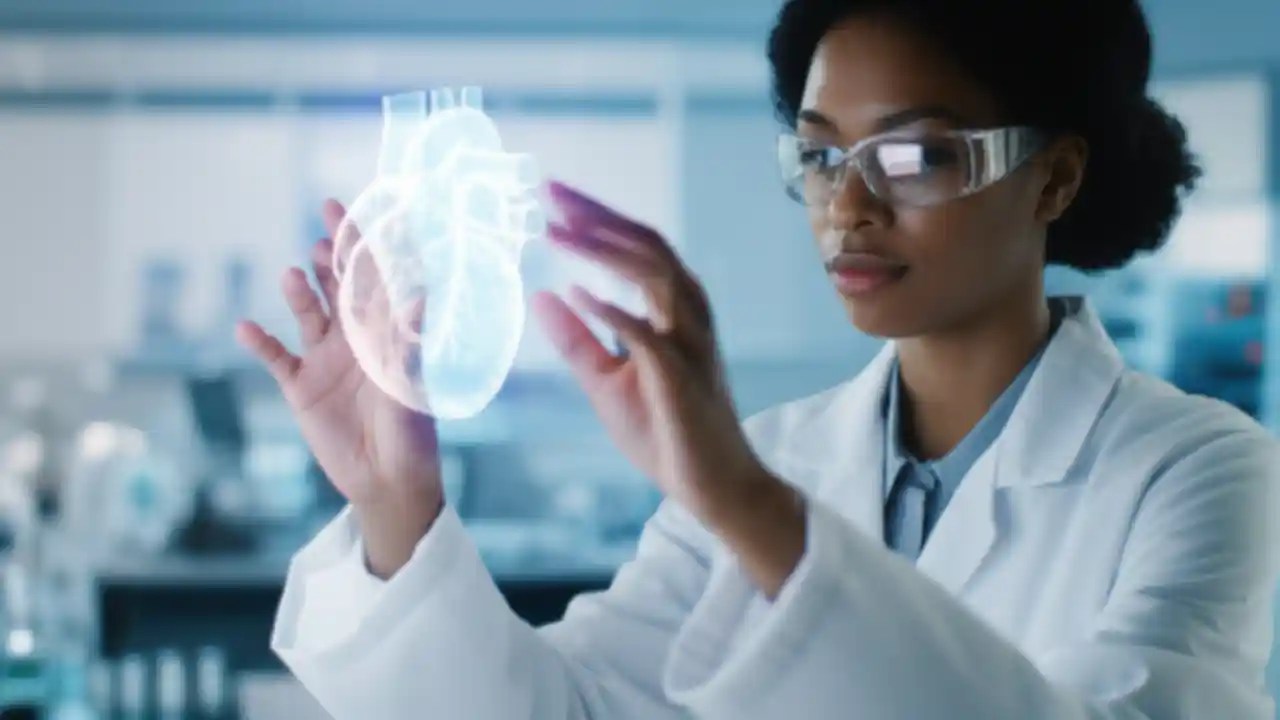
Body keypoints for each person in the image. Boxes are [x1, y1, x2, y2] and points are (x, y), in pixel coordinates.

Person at [236, 0, 1280, 717]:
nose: (847, 206)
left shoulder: (1196, 469)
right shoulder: (768, 460)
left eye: (914, 154)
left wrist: (745, 505)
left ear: (1052, 179)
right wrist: (397, 500)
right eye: (821, 155)